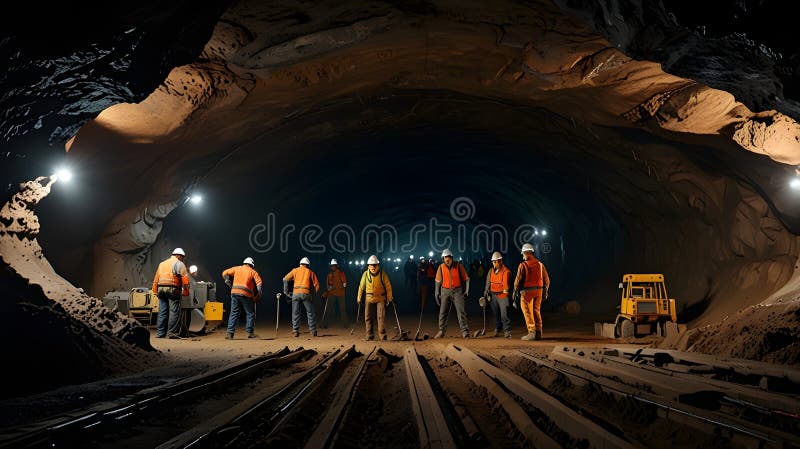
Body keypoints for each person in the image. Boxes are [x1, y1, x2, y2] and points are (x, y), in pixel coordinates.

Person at [513, 243, 551, 341]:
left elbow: (518, 281)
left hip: (527, 293)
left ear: (526, 253)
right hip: (539, 291)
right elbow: (547, 280)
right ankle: (538, 332)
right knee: (536, 311)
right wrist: (545, 292)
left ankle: (531, 331)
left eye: (523, 254)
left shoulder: (523, 265)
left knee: (527, 311)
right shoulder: (540, 264)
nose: (523, 256)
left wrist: (515, 292)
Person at [152, 248, 190, 339]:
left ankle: (160, 333)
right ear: (179, 256)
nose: (182, 259)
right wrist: (186, 291)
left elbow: (156, 278)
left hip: (161, 289)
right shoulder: (179, 263)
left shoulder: (162, 264)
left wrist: (154, 290)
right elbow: (185, 279)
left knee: (162, 311)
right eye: (182, 257)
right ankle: (171, 333)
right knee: (174, 311)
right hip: (172, 289)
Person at [222, 257, 263, 339]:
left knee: (234, 313)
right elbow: (259, 283)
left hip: (234, 293)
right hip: (246, 294)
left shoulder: (237, 268)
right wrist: (258, 294)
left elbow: (224, 273)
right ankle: (249, 333)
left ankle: (230, 333)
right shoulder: (253, 271)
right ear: (251, 264)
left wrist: (228, 281)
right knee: (250, 313)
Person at [434, 249, 471, 338]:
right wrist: (436, 292)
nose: (447, 260)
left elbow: (466, 278)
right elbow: (438, 281)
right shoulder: (441, 267)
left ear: (452, 257)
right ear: (443, 258)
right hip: (445, 291)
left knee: (461, 311)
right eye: (445, 258)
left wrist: (467, 290)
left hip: (457, 291)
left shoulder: (458, 266)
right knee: (443, 312)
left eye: (448, 257)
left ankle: (465, 331)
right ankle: (441, 331)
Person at [357, 255, 393, 340]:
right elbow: (361, 287)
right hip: (369, 298)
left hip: (380, 298)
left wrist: (389, 297)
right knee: (368, 317)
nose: (373, 267)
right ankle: (369, 335)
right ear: (368, 266)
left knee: (381, 317)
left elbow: (388, 286)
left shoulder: (382, 274)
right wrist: (359, 297)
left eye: (374, 265)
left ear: (378, 265)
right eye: (371, 265)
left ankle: (382, 335)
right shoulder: (365, 274)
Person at [283, 257, 320, 337]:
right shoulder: (310, 271)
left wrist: (286, 292)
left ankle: (295, 331)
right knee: (310, 312)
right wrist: (313, 295)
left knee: (295, 313)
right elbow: (316, 284)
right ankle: (313, 331)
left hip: (295, 294)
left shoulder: (295, 270)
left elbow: (285, 279)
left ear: (300, 264)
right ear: (308, 265)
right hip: (306, 293)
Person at [484, 252, 512, 338]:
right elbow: (488, 282)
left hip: (502, 295)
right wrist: (486, 291)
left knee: (504, 314)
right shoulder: (491, 271)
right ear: (492, 262)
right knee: (496, 314)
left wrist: (506, 294)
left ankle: (507, 330)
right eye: (494, 262)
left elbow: (506, 285)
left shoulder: (506, 271)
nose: (496, 263)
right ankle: (498, 328)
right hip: (493, 295)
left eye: (498, 261)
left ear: (501, 261)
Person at [322, 258, 348, 328]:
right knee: (327, 309)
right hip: (334, 293)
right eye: (332, 266)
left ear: (336, 266)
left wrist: (342, 289)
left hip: (340, 293)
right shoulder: (330, 274)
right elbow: (328, 285)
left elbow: (344, 283)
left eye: (334, 266)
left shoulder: (340, 273)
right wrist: (328, 291)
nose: (332, 267)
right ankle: (324, 324)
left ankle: (345, 324)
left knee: (342, 310)